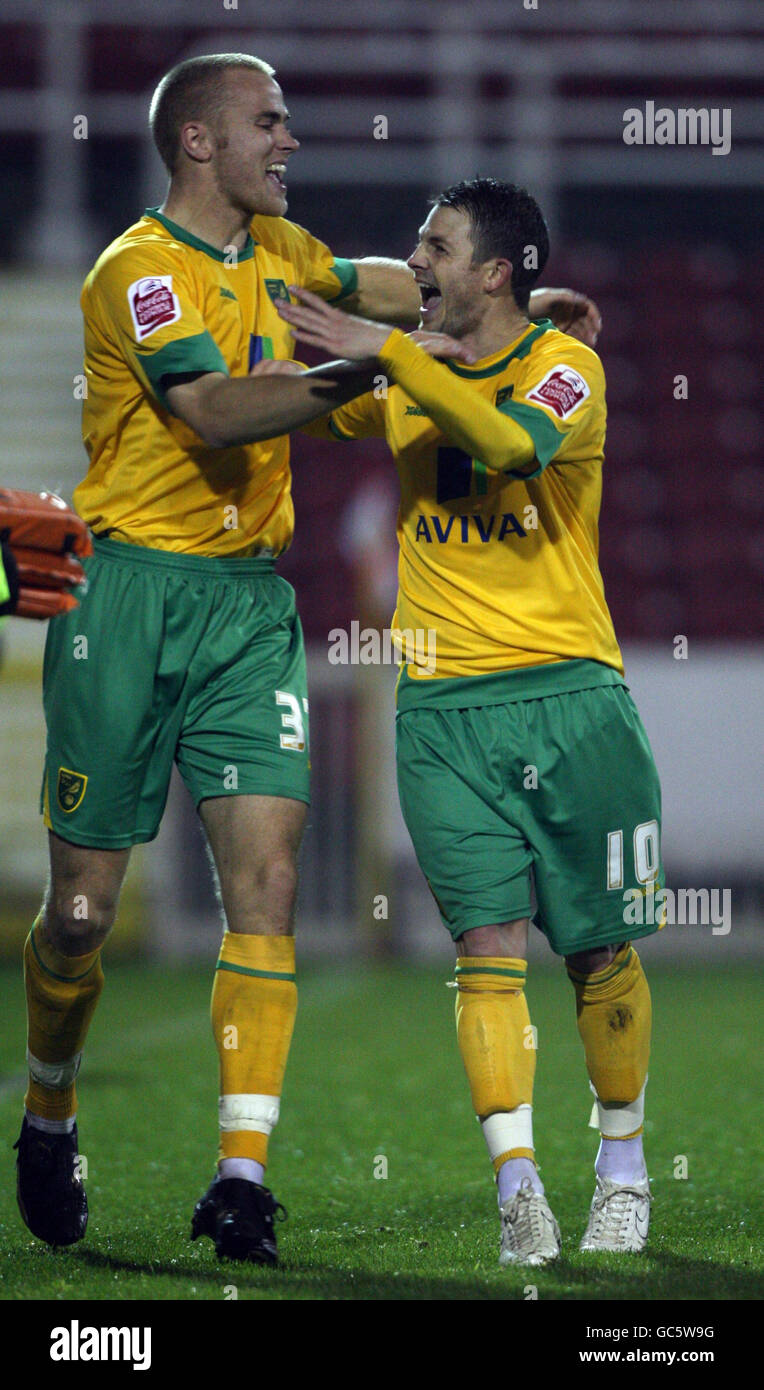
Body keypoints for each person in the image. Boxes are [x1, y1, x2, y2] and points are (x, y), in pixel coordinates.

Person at [13, 49, 598, 1267]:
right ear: (199, 145)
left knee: (266, 891)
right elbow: (214, 412)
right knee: (78, 917)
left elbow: (388, 283)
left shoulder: (284, 255)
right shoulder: (139, 272)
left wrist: (496, 315)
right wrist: (389, 363)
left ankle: (239, 1177)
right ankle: (51, 1103)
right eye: (267, 124)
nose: (290, 142)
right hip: (126, 597)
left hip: (245, 609)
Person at [276, 177, 664, 1267]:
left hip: (570, 696)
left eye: (435, 246)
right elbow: (292, 384)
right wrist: (341, 354)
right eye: (415, 244)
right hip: (441, 708)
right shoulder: (408, 363)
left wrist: (395, 353)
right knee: (483, 952)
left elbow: (507, 448)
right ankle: (518, 1185)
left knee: (594, 949)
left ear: (495, 270)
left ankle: (623, 1169)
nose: (417, 261)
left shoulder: (563, 365)